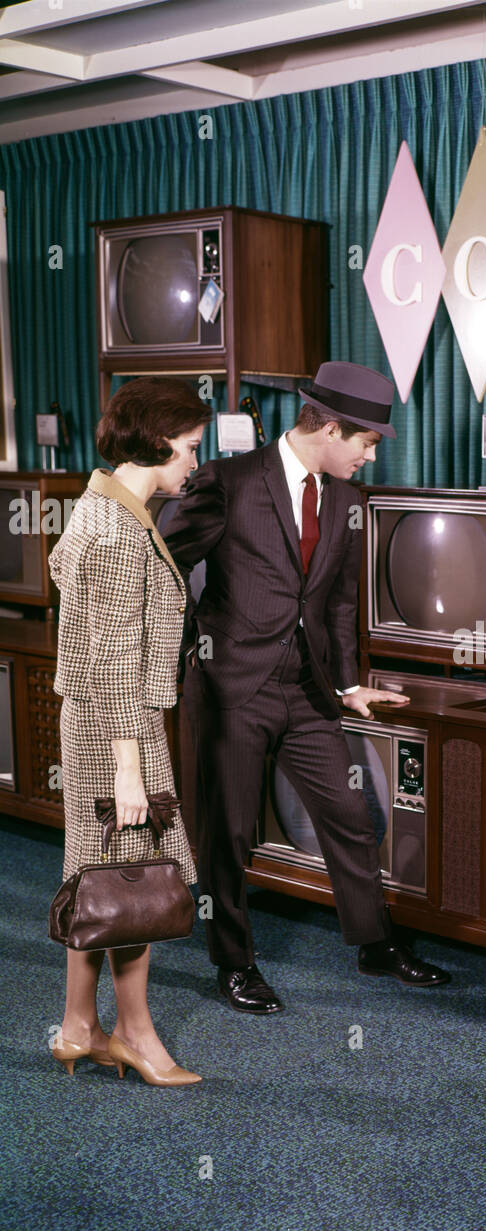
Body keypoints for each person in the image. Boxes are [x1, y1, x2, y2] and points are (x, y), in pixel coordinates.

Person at [160, 361, 450, 1013]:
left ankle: (375, 945)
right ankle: (233, 963)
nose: (371, 455)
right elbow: (164, 563)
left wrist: (347, 685)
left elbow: (339, 606)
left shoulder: (347, 501)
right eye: (368, 441)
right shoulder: (228, 482)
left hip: (308, 692)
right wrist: (184, 650)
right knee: (228, 832)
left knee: (350, 818)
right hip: (231, 687)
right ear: (330, 426)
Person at [48, 377, 211, 1087]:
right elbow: (115, 659)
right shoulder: (119, 532)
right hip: (119, 724)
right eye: (189, 449)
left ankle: (79, 1025)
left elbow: (58, 569)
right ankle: (136, 1036)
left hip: (90, 715)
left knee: (95, 875)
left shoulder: (101, 502)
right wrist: (128, 768)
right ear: (156, 441)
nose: (194, 465)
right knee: (133, 880)